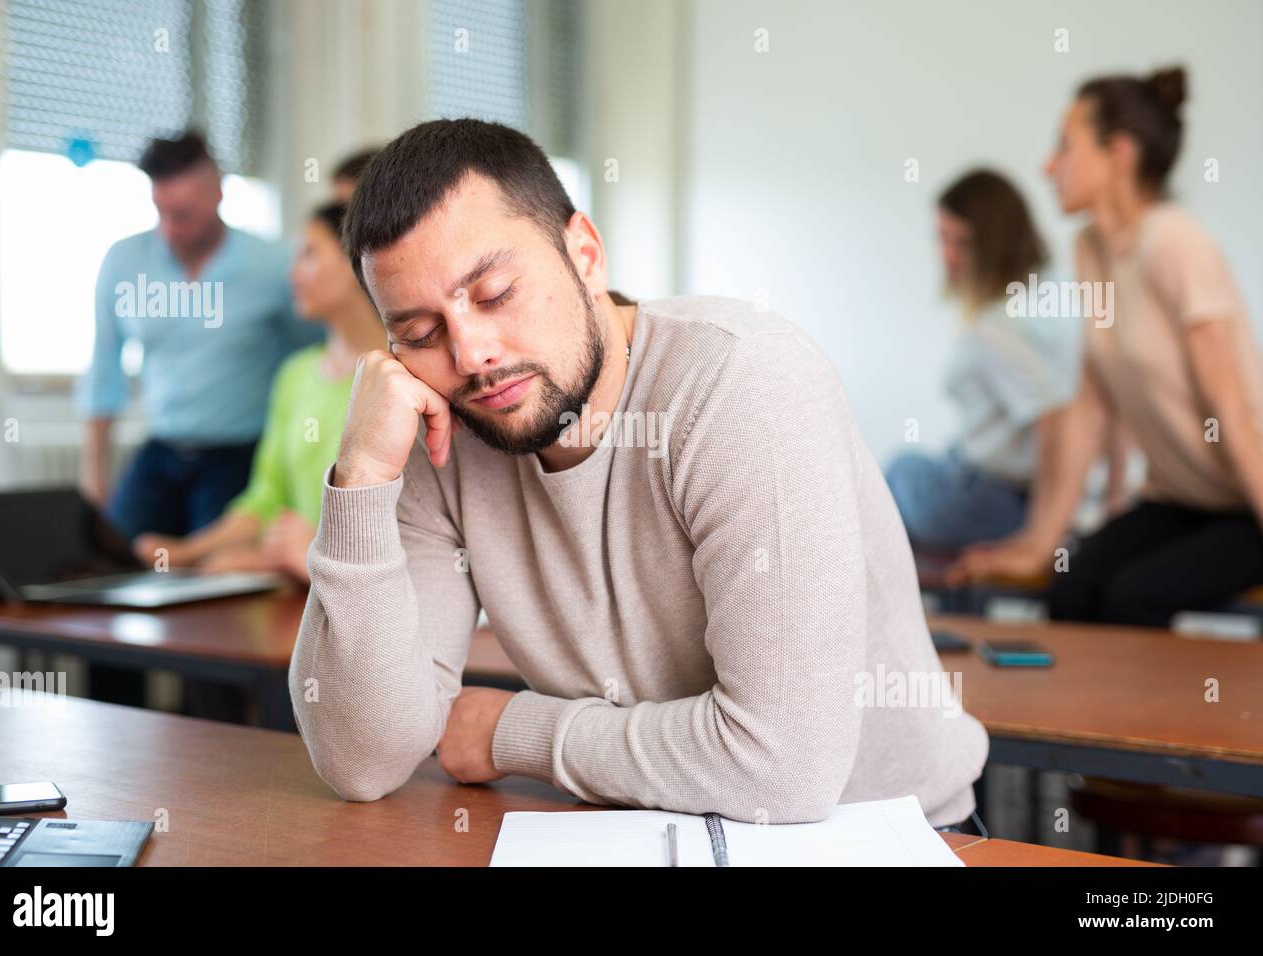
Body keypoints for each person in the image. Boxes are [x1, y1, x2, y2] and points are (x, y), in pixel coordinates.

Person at [288, 119, 987, 825]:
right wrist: (362, 479)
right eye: (419, 333)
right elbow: (364, 762)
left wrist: (514, 732)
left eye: (496, 293)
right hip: (645, 824)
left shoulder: (743, 382)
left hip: (887, 837)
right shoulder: (443, 426)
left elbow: (784, 771)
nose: (471, 354)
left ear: (585, 255)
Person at [952, 68, 1263, 627]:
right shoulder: (1091, 249)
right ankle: (1073, 718)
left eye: (1064, 145)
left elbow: (1234, 412)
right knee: (1069, 588)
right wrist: (1038, 542)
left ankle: (1169, 717)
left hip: (1248, 503)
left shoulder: (1175, 244)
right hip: (1181, 503)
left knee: (1132, 596)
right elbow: (1090, 404)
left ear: (1118, 153)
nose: (1048, 166)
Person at [79, 130, 320, 706]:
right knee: (100, 577)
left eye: (183, 214)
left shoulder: (271, 267)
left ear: (216, 193)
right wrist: (94, 485)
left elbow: (312, 358)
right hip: (161, 452)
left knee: (220, 601)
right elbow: (104, 374)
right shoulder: (125, 261)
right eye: (160, 212)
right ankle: (115, 716)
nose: (171, 228)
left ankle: (209, 726)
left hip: (236, 455)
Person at [133, 203, 385, 584]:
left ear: (356, 262)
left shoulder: (397, 377)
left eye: (309, 255)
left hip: (352, 588)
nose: (292, 273)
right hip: (297, 585)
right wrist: (191, 553)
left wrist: (301, 553)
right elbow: (265, 499)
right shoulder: (296, 375)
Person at [886, 169, 1077, 552]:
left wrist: (1041, 536)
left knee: (898, 469)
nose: (948, 257)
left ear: (994, 243)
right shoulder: (1046, 296)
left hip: (996, 497)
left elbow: (1056, 418)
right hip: (990, 484)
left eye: (963, 243)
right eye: (942, 239)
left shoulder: (998, 328)